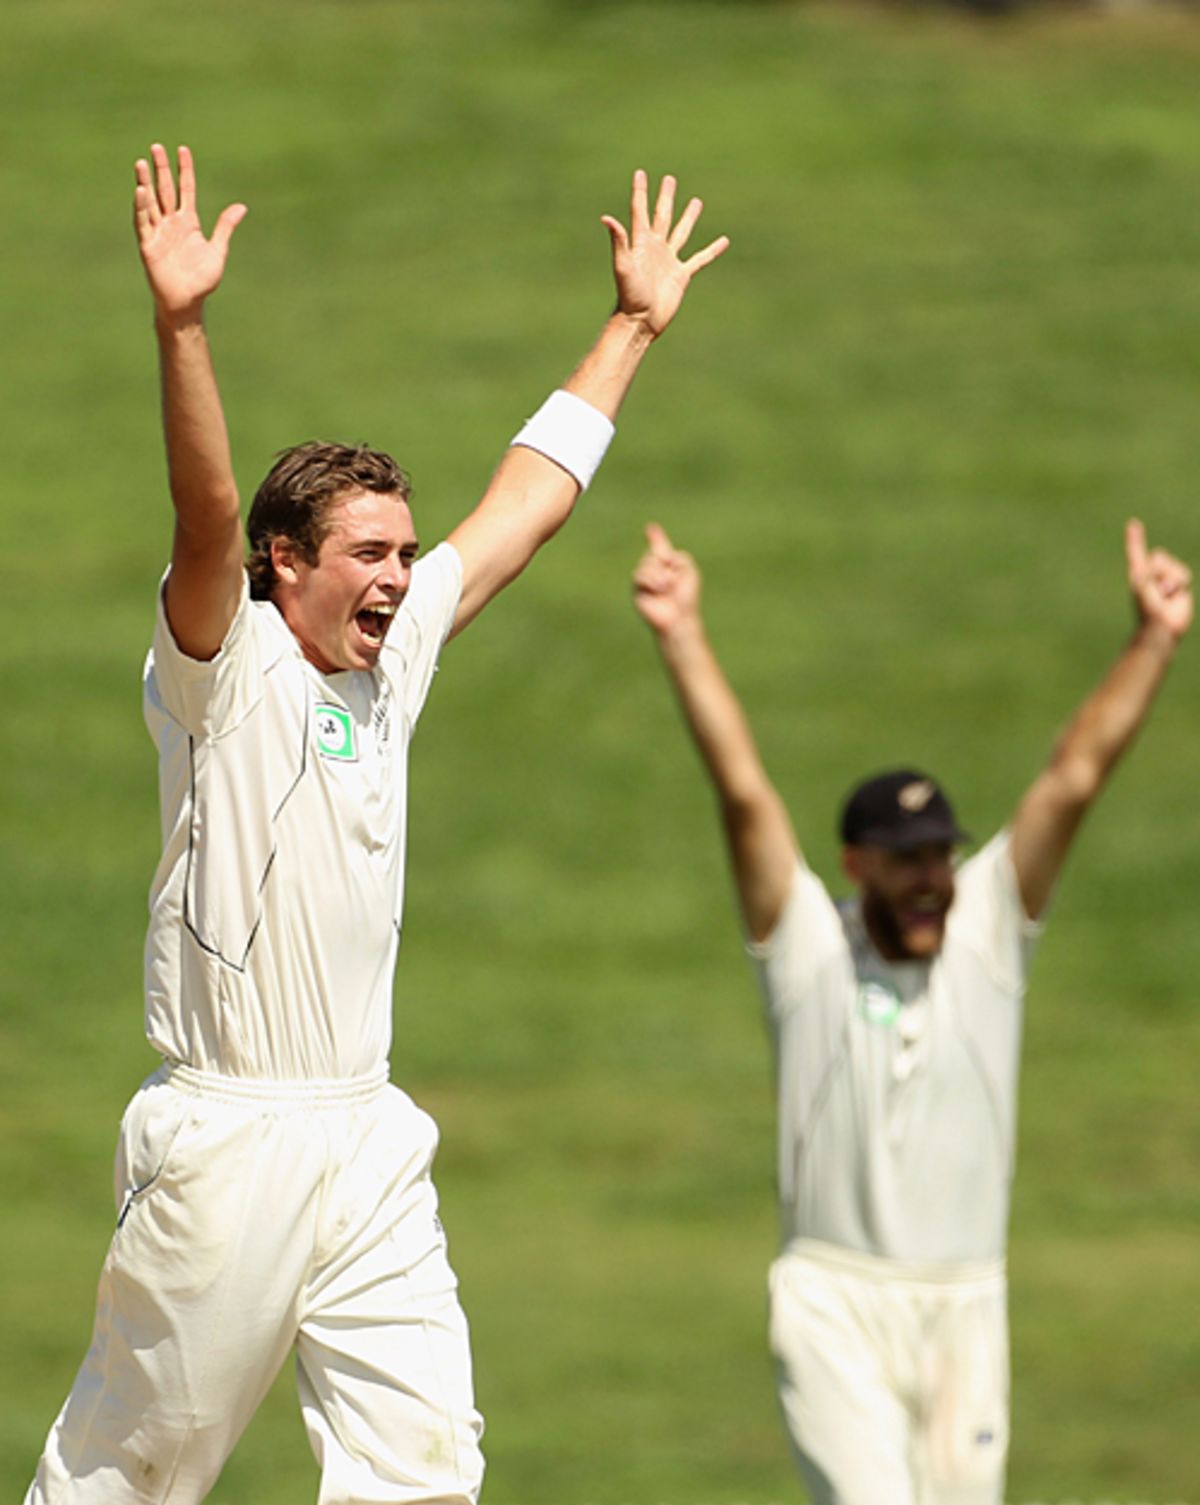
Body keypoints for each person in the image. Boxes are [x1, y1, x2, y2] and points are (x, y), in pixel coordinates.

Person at [25, 145, 727, 1505]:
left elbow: (525, 503)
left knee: (424, 1471)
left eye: (406, 555)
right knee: (134, 1473)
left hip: (365, 1136)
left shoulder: (390, 658)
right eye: (371, 554)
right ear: (288, 564)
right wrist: (182, 325)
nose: (401, 578)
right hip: (227, 1142)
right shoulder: (225, 664)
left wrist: (632, 326)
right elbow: (208, 510)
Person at [631, 518, 1191, 1505]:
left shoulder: (989, 930)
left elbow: (1073, 777)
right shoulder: (808, 946)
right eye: (907, 859)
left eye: (941, 854)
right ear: (857, 864)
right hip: (833, 1300)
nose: (932, 878)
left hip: (968, 1302)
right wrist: (682, 634)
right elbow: (745, 794)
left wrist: (1153, 639)